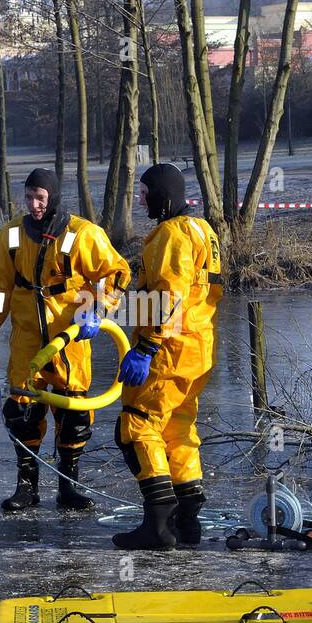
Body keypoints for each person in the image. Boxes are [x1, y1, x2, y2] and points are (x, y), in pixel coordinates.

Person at [0, 168, 131, 511]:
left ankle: (69, 485)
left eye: (40, 198)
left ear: (53, 197)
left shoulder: (81, 234)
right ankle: (26, 486)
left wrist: (95, 308)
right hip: (27, 340)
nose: (33, 205)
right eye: (28, 197)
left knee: (73, 415)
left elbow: (116, 273)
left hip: (69, 338)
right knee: (21, 411)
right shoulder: (12, 236)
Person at [111, 163, 223, 550]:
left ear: (164, 195)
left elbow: (167, 296)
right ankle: (188, 520)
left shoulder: (170, 234)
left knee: (137, 426)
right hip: (199, 347)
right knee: (177, 429)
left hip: (168, 349)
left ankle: (158, 524)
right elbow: (190, 296)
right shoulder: (203, 230)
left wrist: (145, 346)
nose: (141, 199)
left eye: (145, 193)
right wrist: (104, 309)